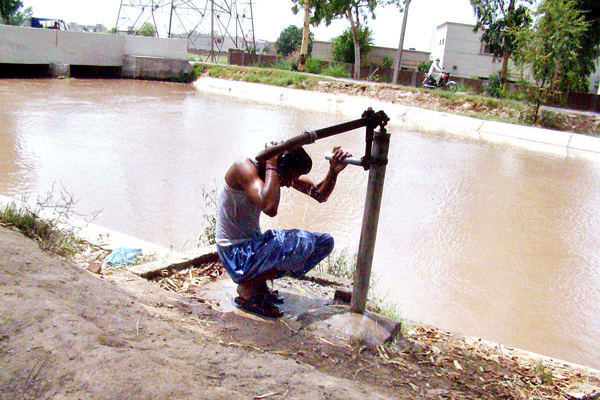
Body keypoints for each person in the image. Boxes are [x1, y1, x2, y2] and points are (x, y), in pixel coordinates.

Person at [216, 144, 351, 318]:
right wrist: (272, 162)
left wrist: (334, 171)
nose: (287, 184)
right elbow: (270, 207)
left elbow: (320, 194)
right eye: (287, 177)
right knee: (300, 242)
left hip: (252, 248)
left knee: (323, 244)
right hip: (235, 254)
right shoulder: (244, 168)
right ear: (279, 165)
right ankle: (248, 287)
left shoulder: (276, 173)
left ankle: (257, 283)